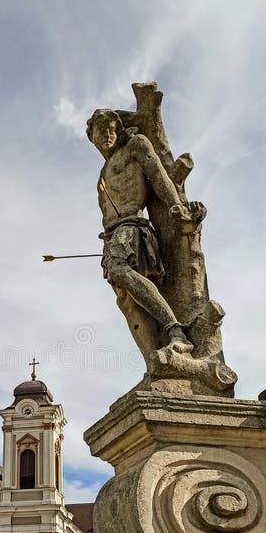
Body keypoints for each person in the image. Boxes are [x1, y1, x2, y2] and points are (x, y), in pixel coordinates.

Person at [86, 108, 198, 353]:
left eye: (111, 129)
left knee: (119, 270)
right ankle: (154, 361)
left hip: (131, 226)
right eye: (100, 130)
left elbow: (158, 175)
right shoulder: (103, 174)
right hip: (111, 235)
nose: (106, 134)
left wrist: (176, 205)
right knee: (127, 302)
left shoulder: (135, 145)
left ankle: (175, 330)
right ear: (91, 136)